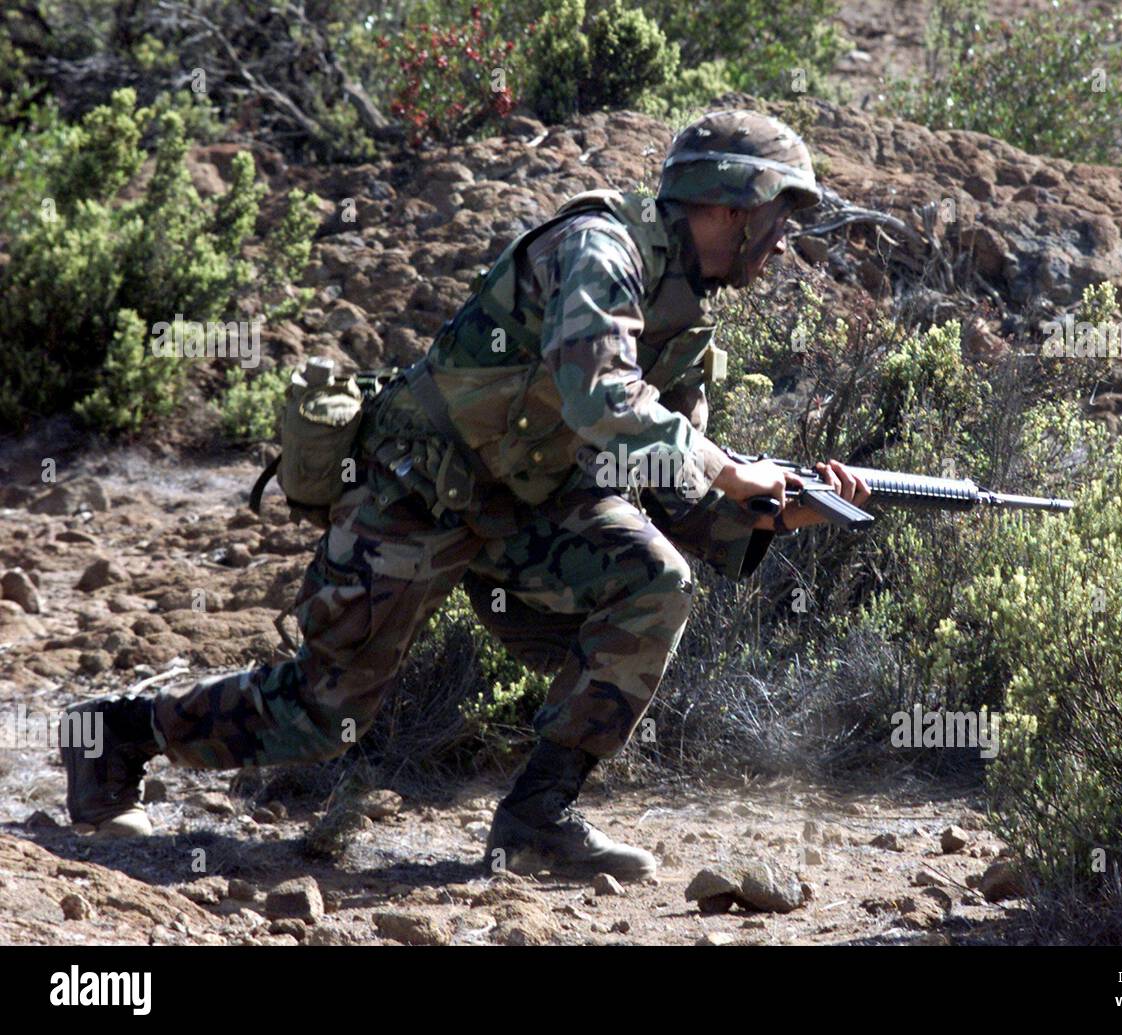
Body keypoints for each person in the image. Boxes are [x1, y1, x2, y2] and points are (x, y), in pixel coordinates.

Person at [61, 109, 870, 883]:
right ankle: (117, 734)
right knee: (321, 714)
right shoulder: (602, 248)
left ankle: (537, 817)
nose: (783, 240)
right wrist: (730, 468)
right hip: (421, 488)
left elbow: (673, 486)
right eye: (779, 216)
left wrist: (777, 511)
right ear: (732, 206)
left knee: (652, 581)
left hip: (529, 506)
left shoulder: (688, 322)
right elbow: (598, 394)